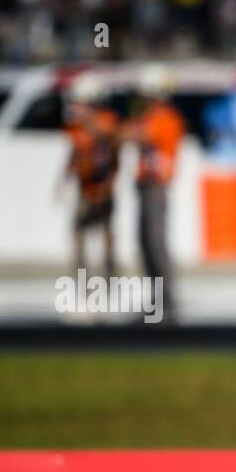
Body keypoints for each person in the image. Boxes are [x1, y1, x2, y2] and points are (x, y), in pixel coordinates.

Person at [125, 65, 184, 322]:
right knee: (146, 244)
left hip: (156, 187)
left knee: (156, 243)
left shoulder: (163, 117)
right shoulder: (151, 116)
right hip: (147, 186)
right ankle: (157, 300)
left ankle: (167, 301)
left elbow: (137, 135)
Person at [61, 74, 120, 279]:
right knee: (78, 235)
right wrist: (64, 179)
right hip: (84, 188)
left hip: (103, 188)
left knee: (105, 236)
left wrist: (88, 121)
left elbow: (110, 144)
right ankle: (82, 281)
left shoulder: (107, 121)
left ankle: (111, 279)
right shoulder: (78, 127)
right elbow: (76, 152)